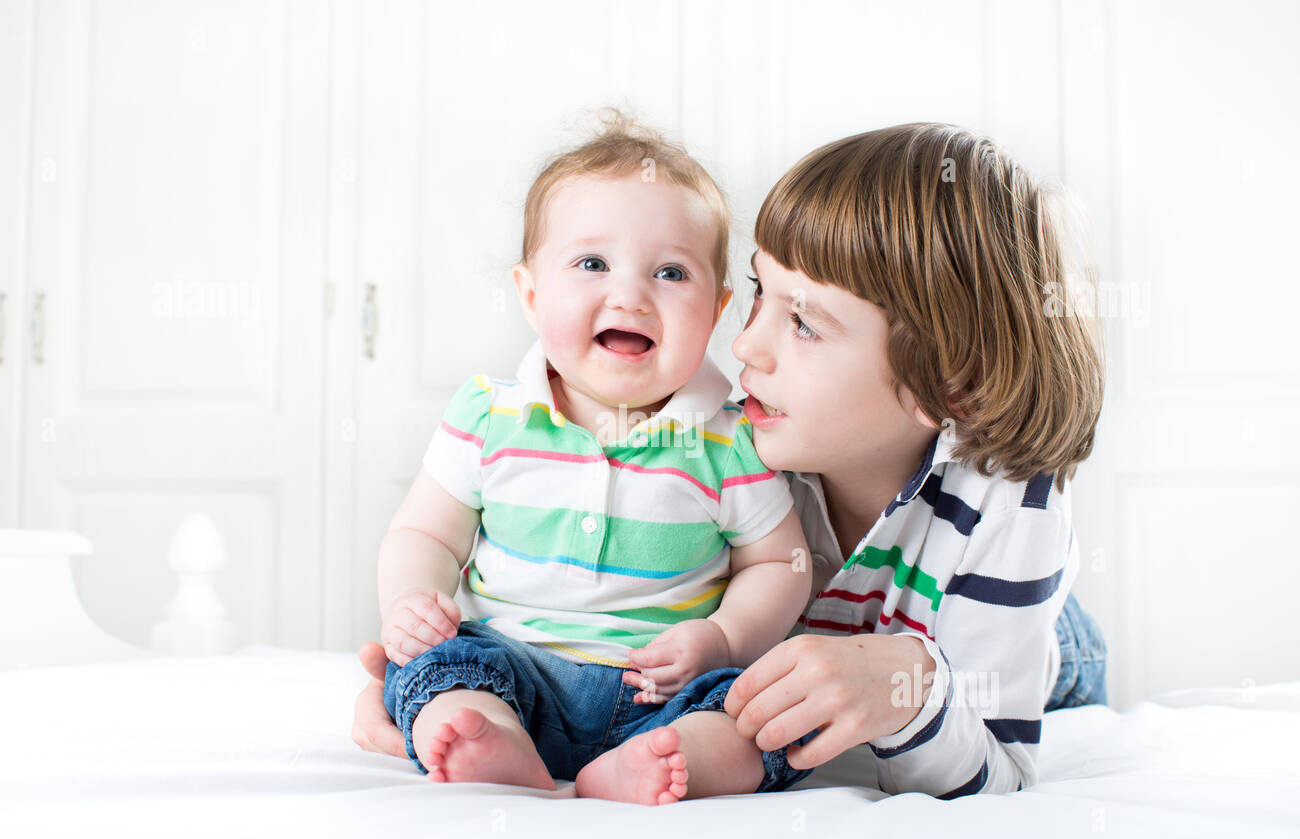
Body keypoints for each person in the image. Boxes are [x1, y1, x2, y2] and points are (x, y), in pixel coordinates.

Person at [355, 121, 1108, 798]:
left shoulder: (1013, 512)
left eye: (805, 323)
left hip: (1005, 635)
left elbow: (1000, 771)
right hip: (824, 639)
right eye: (759, 292)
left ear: (950, 381)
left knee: (1055, 659)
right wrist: (430, 686)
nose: (744, 345)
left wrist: (909, 689)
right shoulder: (738, 436)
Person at [374, 109, 813, 806]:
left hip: (662, 691)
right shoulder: (491, 415)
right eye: (591, 264)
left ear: (716, 308)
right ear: (530, 294)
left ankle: (656, 764)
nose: (630, 295)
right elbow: (424, 533)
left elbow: (780, 565)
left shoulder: (728, 441)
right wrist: (412, 601)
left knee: (767, 718)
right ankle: (491, 738)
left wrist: (721, 638)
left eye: (670, 272)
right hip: (513, 670)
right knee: (437, 667)